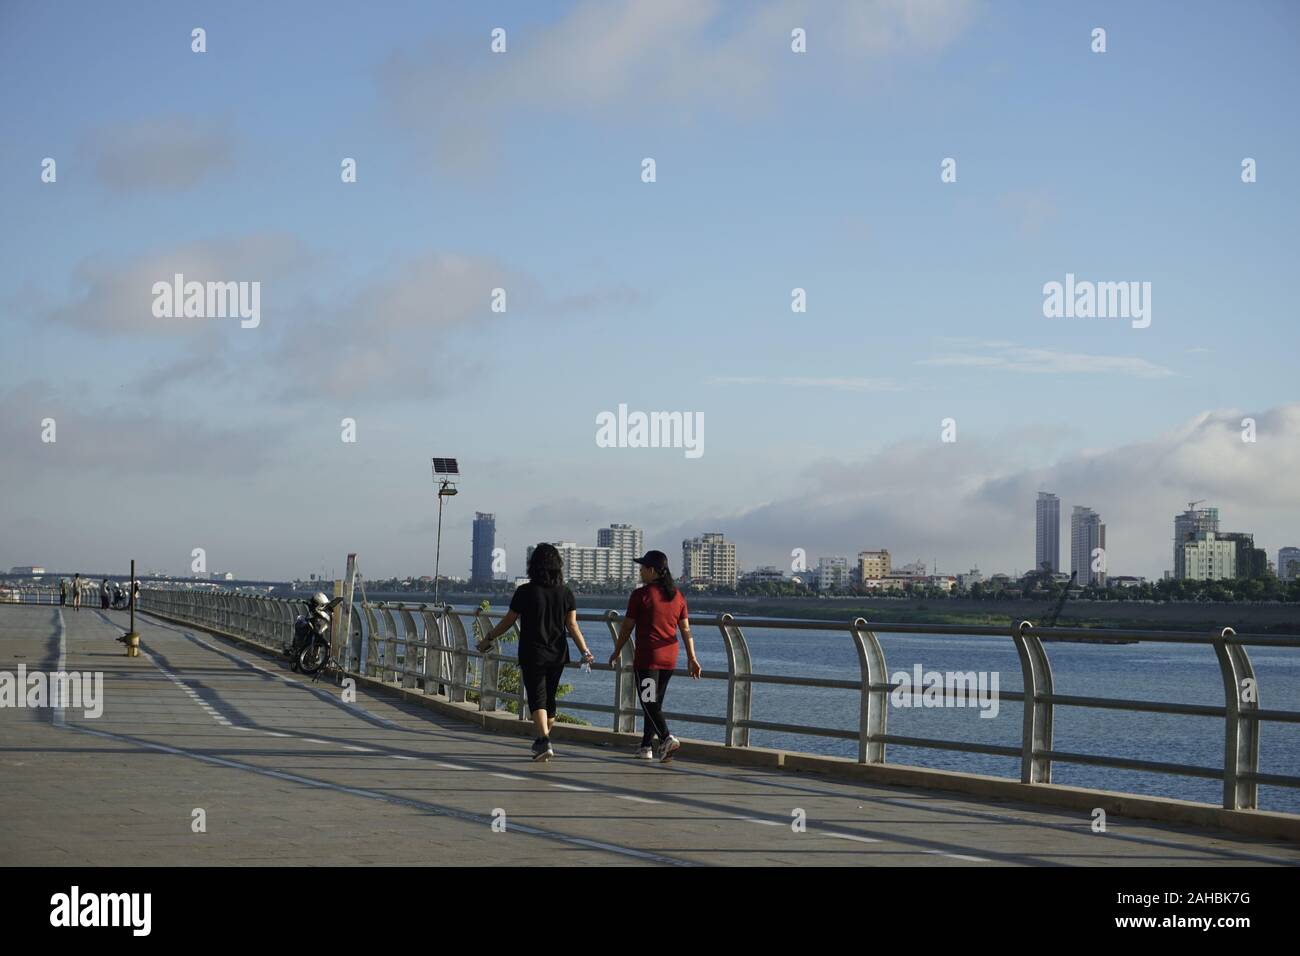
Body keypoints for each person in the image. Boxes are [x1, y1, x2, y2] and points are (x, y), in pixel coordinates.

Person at [476, 543, 594, 761]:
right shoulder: (566, 593)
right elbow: (573, 625)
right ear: (557, 566)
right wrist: (585, 651)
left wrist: (488, 638)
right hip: (558, 653)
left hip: (533, 653)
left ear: (533, 566)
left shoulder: (524, 592)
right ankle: (544, 738)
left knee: (536, 698)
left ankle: (543, 741)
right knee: (549, 699)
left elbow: (508, 621)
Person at [608, 550, 700, 762]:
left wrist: (617, 649)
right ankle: (646, 746)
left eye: (642, 568)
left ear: (651, 571)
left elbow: (627, 627)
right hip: (669, 658)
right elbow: (686, 630)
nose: (640, 571)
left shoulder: (641, 595)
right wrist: (692, 657)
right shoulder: (678, 596)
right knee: (654, 703)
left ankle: (667, 738)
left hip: (648, 659)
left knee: (648, 701)